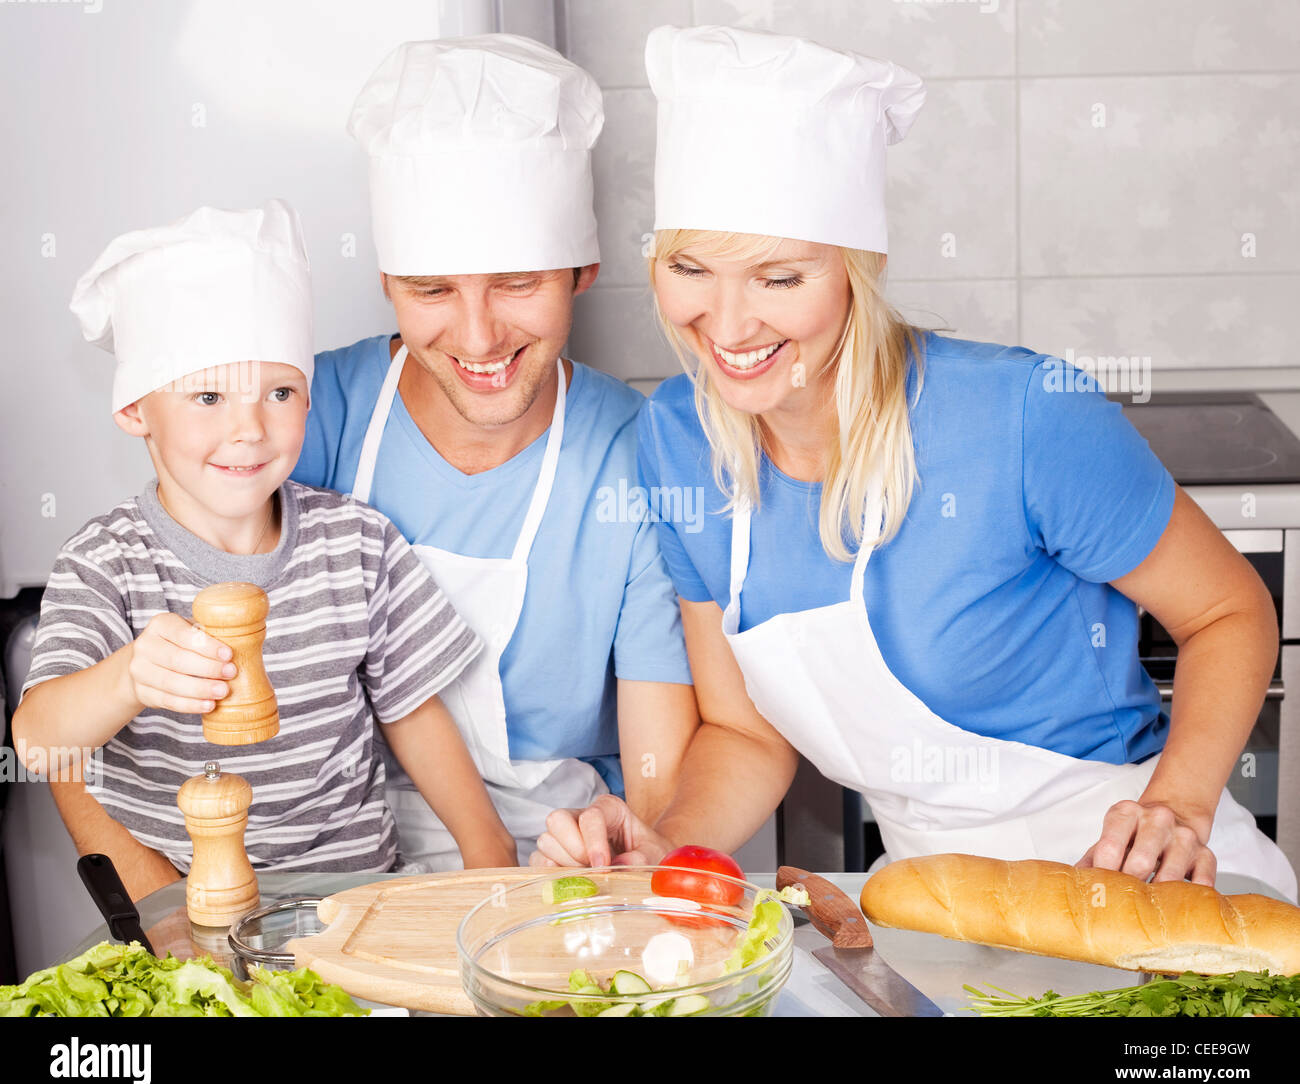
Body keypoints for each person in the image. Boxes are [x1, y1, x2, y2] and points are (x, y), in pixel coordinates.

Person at [534, 24, 1298, 900]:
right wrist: (664, 844)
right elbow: (746, 736)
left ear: (860, 268)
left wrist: (1179, 808)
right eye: (692, 267)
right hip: (933, 903)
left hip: (1140, 870)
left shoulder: (1021, 415)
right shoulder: (678, 438)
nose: (730, 323)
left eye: (781, 278)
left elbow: (1229, 611)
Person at [13, 201, 517, 899]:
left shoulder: (358, 542)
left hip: (356, 901)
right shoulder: (106, 564)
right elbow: (40, 739)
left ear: (309, 400)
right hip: (185, 918)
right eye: (208, 396)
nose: (248, 429)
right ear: (135, 410)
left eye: (278, 391)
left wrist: (490, 850)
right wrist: (130, 677)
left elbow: (413, 712)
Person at [291, 35, 698, 869]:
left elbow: (658, 773)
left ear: (580, 269)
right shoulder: (304, 415)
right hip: (332, 857)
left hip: (551, 862)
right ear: (387, 283)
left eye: (517, 282)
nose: (478, 337)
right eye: (433, 289)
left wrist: (632, 849)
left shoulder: (639, 455)